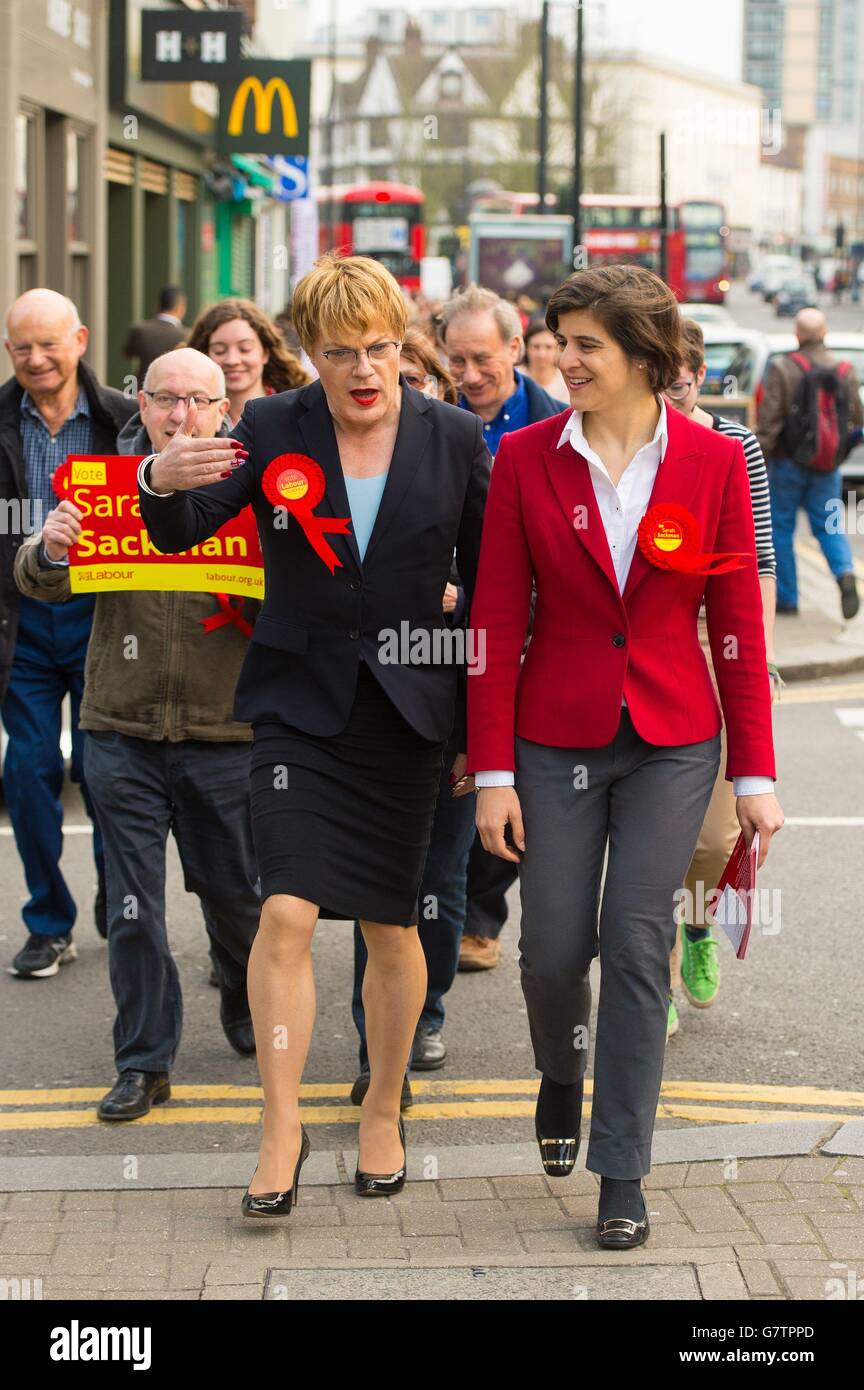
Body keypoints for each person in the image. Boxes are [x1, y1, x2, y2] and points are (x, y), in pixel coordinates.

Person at [137, 255, 490, 1213]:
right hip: (299, 705)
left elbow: (495, 594)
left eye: (379, 348)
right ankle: (281, 1123)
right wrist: (157, 477)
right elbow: (182, 529)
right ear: (310, 355)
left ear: (401, 341)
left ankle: (382, 1104)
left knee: (390, 922)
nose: (364, 370)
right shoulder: (272, 425)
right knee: (286, 912)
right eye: (341, 353)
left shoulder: (457, 439)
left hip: (411, 715)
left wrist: (479, 735)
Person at [466, 264, 783, 1250]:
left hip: (672, 740)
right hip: (550, 734)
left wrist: (756, 772)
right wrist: (492, 773)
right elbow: (492, 618)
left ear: (644, 356)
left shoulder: (714, 460)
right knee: (555, 947)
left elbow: (734, 621)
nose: (563, 359)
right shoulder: (525, 458)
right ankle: (562, 1072)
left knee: (639, 940)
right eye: (558, 340)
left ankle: (623, 1168)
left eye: (584, 344)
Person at [14, 347, 262, 1117]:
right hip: (120, 728)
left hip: (223, 732)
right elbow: (36, 577)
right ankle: (144, 1061)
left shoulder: (250, 486)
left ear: (224, 410)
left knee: (235, 898)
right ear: (143, 406)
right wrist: (48, 548)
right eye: (164, 399)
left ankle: (245, 995)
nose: (180, 414)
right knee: (131, 907)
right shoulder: (105, 484)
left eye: (196, 400)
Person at [1, 289, 136, 978]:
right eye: (22, 346)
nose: (36, 358)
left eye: (48, 343)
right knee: (26, 773)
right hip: (18, 623)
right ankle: (49, 921)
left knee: (103, 774)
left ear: (79, 340)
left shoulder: (124, 418)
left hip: (101, 622)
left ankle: (122, 906)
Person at [350, 329, 471, 1096]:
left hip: (447, 696)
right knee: (378, 888)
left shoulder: (460, 453)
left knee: (440, 878)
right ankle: (376, 1053)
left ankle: (427, 1011)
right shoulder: (342, 457)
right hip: (369, 703)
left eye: (413, 375)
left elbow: (497, 574)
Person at [435, 284, 567, 973]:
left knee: (516, 781)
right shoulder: (428, 421)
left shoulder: (558, 423)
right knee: (466, 777)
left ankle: (482, 911)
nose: (470, 376)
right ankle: (460, 916)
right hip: (447, 639)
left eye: (482, 359)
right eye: (456, 362)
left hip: (537, 636)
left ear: (516, 349)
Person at [662, 319, 778, 1037]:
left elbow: (760, 559)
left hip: (715, 639)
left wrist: (753, 660)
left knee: (710, 840)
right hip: (643, 641)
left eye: (681, 380)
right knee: (639, 836)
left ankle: (699, 925)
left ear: (700, 376)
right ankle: (654, 974)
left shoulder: (736, 445)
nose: (670, 394)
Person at [756, 307, 860, 622]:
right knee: (829, 524)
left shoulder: (783, 368)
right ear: (825, 333)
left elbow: (769, 421)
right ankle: (844, 572)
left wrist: (758, 456)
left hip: (787, 463)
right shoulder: (844, 369)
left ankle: (787, 599)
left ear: (797, 335)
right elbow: (857, 415)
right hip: (827, 465)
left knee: (780, 529)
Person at [186, 298, 309, 427]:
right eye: (219, 351)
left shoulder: (298, 410)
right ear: (204, 354)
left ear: (265, 352)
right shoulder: (186, 413)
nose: (232, 360)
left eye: (245, 349)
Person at [123, 287, 187, 383]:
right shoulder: (186, 336)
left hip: (142, 388)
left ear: (158, 305)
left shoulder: (140, 329)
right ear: (180, 308)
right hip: (173, 391)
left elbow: (127, 353)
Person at [522, 319, 569, 402]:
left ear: (558, 349)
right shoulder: (515, 376)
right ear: (526, 348)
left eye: (548, 347)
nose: (541, 354)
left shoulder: (567, 381)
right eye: (536, 346)